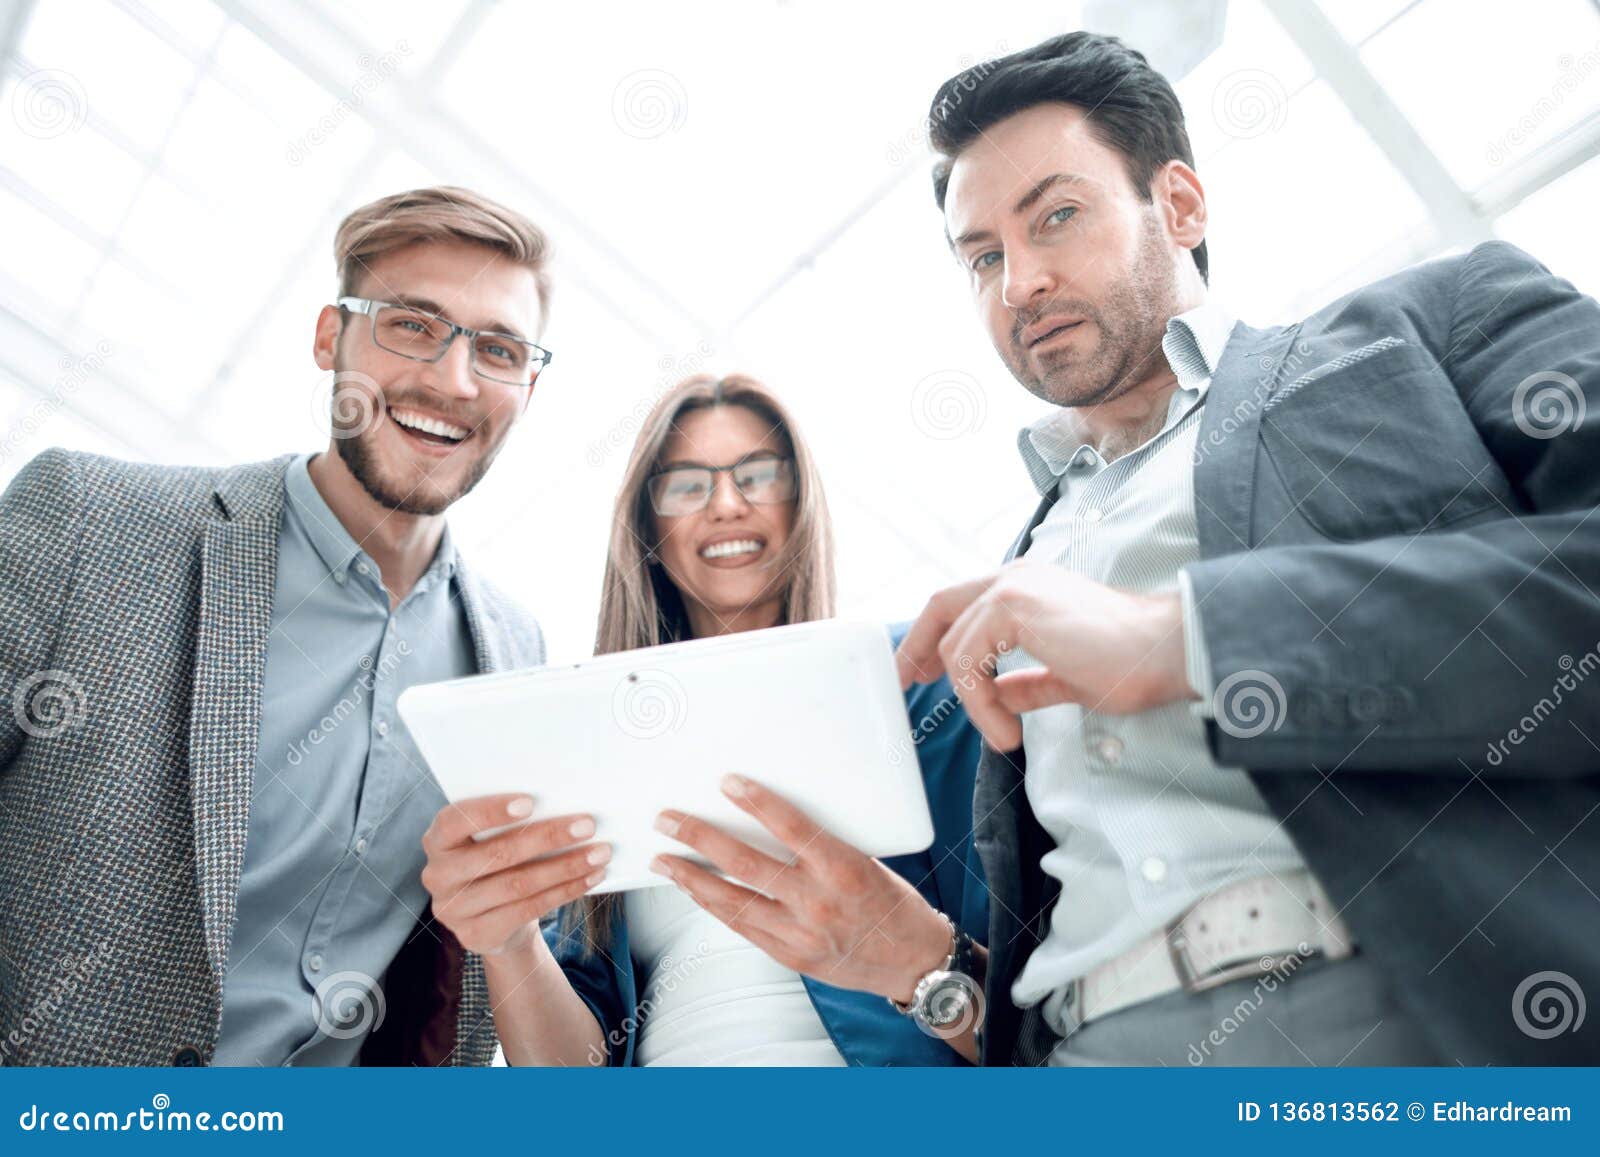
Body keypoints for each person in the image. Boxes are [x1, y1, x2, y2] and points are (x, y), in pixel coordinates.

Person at [888, 32, 1600, 1065]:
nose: (1021, 281)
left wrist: (1190, 637)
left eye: (1055, 215)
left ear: (1176, 205)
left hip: (1389, 1019)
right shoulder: (1014, 565)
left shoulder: (1425, 328)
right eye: (984, 256)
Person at [0, 186, 552, 1066]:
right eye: (413, 324)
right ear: (331, 336)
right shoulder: (87, 519)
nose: (453, 380)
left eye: (498, 349)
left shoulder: (516, 660)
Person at [418, 373, 985, 1065]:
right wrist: (508, 942)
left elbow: (1028, 1023)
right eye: (687, 484)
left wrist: (919, 965)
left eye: (758, 474)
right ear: (648, 525)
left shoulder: (912, 681)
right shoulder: (590, 744)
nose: (726, 503)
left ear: (801, 501)